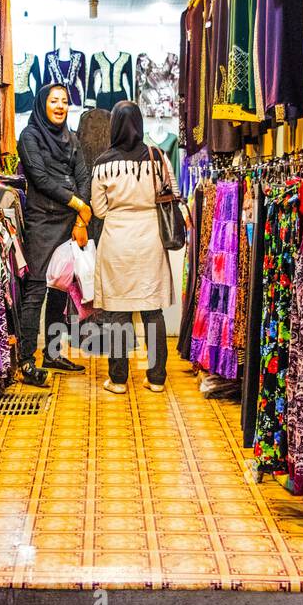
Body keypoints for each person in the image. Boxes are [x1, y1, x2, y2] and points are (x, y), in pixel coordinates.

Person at [89, 101, 174, 394]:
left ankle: (118, 379)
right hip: (151, 238)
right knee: (153, 310)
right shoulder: (158, 157)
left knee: (117, 312)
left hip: (117, 241)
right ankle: (157, 378)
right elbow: (171, 194)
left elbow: (99, 211)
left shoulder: (102, 163)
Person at [16, 83, 91, 385]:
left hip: (69, 221)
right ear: (42, 105)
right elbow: (41, 178)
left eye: (64, 101)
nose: (60, 106)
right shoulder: (29, 137)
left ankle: (52, 353)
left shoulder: (70, 137)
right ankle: (24, 361)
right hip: (43, 220)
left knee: (60, 289)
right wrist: (77, 203)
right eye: (54, 101)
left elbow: (83, 175)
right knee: (35, 290)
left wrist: (81, 216)